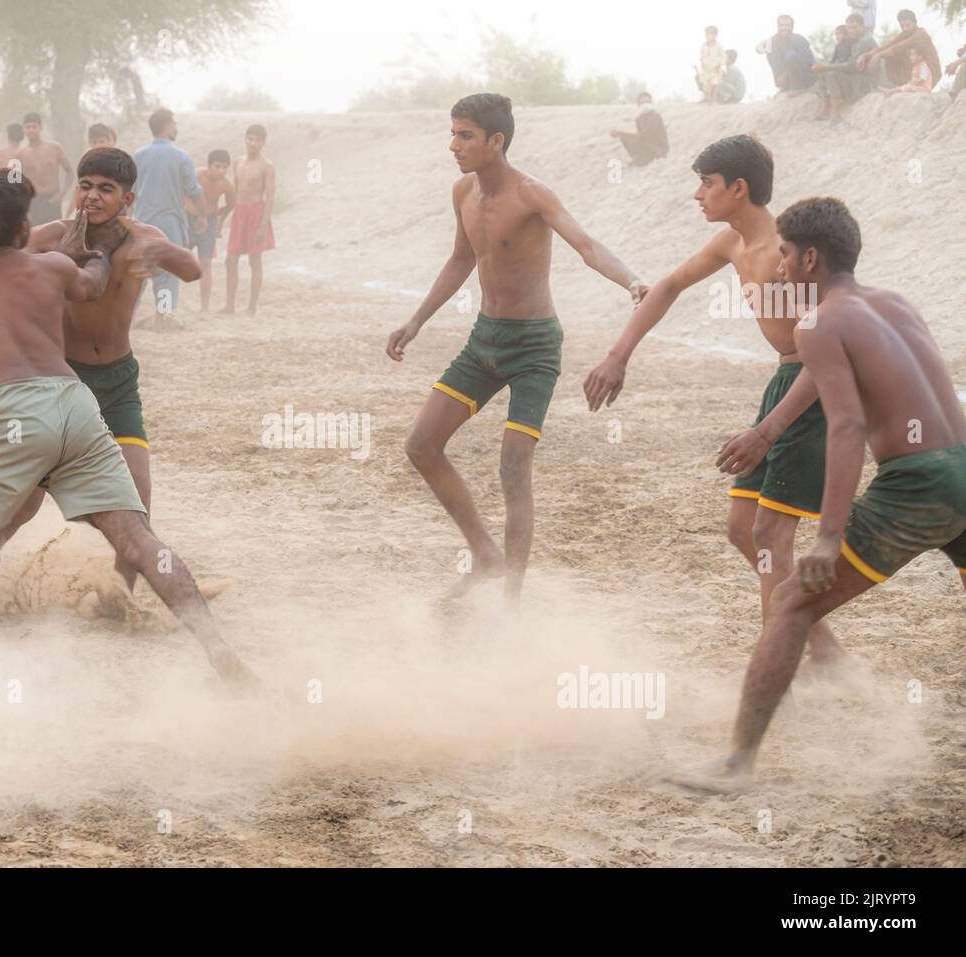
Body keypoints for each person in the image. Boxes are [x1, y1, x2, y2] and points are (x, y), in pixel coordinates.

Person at [672, 197, 966, 793]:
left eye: (783, 255)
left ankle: (737, 765)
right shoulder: (892, 304)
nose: (777, 267)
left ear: (810, 257)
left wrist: (828, 537)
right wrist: (768, 430)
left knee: (790, 605)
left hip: (920, 484)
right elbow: (830, 364)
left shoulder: (817, 322)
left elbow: (848, 425)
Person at [0, 168, 253, 686]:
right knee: (139, 538)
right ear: (21, 229)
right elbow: (91, 282)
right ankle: (217, 649)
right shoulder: (53, 268)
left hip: (15, 409)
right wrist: (91, 254)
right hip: (74, 401)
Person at [583, 135, 846, 671]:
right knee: (741, 527)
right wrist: (618, 355)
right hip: (784, 378)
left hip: (814, 388)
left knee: (771, 532)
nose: (697, 195)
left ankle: (779, 664)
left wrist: (770, 429)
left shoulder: (786, 251)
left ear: (738, 188)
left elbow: (831, 347)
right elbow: (669, 285)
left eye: (706, 184)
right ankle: (821, 646)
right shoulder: (731, 243)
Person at [387, 94, 647, 607]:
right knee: (420, 444)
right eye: (453, 132)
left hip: (534, 347)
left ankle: (511, 601)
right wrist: (416, 320)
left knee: (512, 466)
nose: (454, 145)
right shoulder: (462, 191)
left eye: (465, 135)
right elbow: (460, 260)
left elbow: (587, 245)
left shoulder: (533, 195)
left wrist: (633, 281)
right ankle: (484, 554)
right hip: (485, 340)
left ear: (495, 141)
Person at [0, 147, 203, 587]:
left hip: (118, 381)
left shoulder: (145, 237)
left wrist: (162, 253)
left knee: (137, 493)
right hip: (62, 382)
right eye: (85, 186)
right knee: (28, 497)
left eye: (106, 189)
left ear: (128, 200)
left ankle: (121, 592)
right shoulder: (52, 235)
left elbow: (192, 269)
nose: (93, 197)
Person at [133, 108, 206, 325]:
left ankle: (126, 316)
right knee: (167, 273)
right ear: (166, 126)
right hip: (170, 222)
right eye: (174, 124)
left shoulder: (138, 156)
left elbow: (131, 190)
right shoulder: (180, 156)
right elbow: (193, 190)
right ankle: (163, 315)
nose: (176, 128)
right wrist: (202, 215)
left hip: (143, 222)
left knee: (138, 272)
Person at [224, 125, 277, 316]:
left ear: (263, 142)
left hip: (257, 212)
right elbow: (235, 192)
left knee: (255, 261)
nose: (253, 143)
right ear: (245, 139)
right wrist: (226, 218)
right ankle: (229, 306)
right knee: (230, 259)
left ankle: (251, 307)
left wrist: (263, 225)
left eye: (257, 140)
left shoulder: (267, 166)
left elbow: (270, 197)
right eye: (250, 139)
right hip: (240, 212)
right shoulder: (238, 162)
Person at [187, 149, 236, 312]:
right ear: (209, 165)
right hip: (189, 220)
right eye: (217, 166)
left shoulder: (226, 184)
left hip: (209, 222)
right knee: (178, 257)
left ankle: (204, 308)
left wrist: (220, 218)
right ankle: (171, 303)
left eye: (224, 167)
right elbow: (181, 192)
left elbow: (231, 204)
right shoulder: (196, 175)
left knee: (206, 263)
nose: (221, 171)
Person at [813, 14, 880, 124]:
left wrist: (827, 66)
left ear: (862, 27)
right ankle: (826, 105)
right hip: (857, 76)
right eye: (848, 27)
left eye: (854, 27)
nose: (851, 31)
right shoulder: (853, 40)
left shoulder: (865, 41)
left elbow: (852, 66)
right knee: (825, 72)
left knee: (832, 74)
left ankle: (835, 115)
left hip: (868, 82)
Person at [858, 9, 941, 88]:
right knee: (889, 53)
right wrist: (866, 55)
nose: (905, 28)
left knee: (896, 53)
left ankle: (912, 85)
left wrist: (878, 55)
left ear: (915, 23)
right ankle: (899, 85)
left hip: (928, 72)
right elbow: (888, 46)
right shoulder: (903, 35)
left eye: (908, 25)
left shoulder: (921, 34)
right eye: (902, 25)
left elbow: (899, 47)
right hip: (914, 72)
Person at [16, 112, 72, 226]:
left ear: (40, 128)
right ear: (24, 130)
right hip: (33, 202)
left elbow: (70, 172)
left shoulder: (54, 148)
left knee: (55, 237)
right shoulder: (20, 154)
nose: (31, 130)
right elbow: (15, 183)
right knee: (34, 238)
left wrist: (61, 195)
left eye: (34, 126)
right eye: (28, 127)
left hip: (53, 199)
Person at [757, 15, 817, 93]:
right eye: (781, 25)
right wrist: (768, 41)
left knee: (790, 54)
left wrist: (785, 74)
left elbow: (809, 63)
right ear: (777, 26)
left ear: (792, 26)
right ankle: (784, 85)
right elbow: (758, 50)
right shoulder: (773, 41)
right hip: (787, 79)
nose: (784, 28)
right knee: (769, 51)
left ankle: (798, 88)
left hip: (806, 77)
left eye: (787, 25)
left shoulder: (799, 38)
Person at [609, 93, 669, 167]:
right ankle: (639, 158)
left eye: (647, 102)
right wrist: (621, 134)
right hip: (647, 145)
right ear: (638, 104)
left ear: (651, 103)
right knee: (625, 138)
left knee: (632, 138)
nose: (645, 104)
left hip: (658, 148)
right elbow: (639, 135)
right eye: (643, 102)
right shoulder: (639, 119)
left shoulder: (655, 116)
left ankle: (646, 158)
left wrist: (620, 132)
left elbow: (644, 135)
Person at [699, 26, 727, 104]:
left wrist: (720, 64)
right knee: (706, 86)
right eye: (706, 35)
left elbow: (723, 56)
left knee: (715, 83)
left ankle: (714, 100)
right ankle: (708, 101)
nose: (707, 36)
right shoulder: (703, 46)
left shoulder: (719, 46)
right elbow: (701, 56)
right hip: (706, 69)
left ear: (715, 35)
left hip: (715, 69)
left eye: (709, 35)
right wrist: (702, 63)